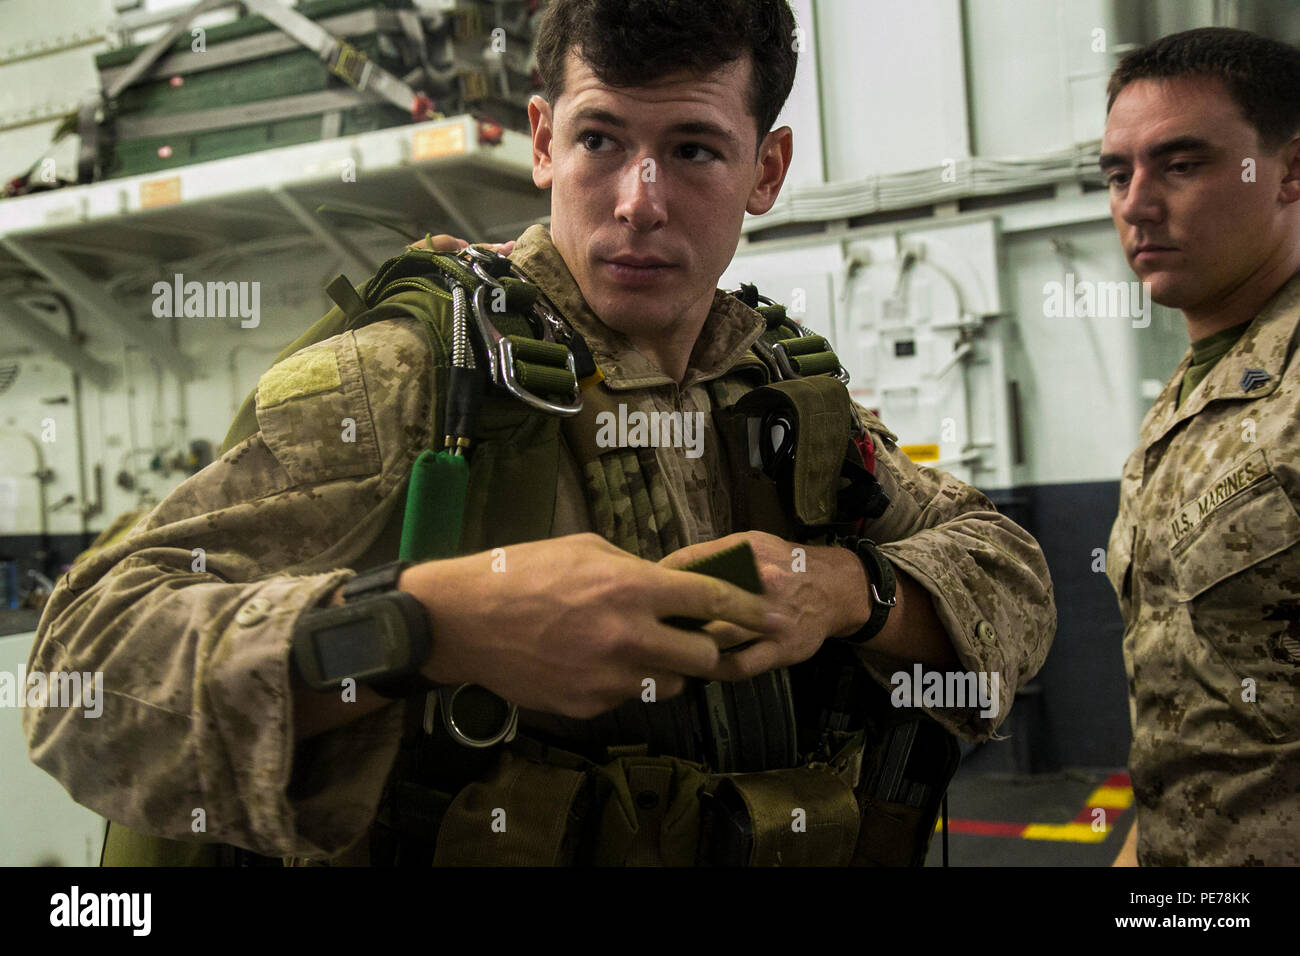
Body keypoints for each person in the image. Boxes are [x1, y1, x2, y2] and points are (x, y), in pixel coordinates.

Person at [25, 0, 1054, 865]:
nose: (638, 202)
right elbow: (84, 670)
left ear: (766, 170)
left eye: (693, 149)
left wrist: (846, 590)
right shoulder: (410, 376)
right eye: (602, 139)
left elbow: (1007, 571)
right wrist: (427, 622)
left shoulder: (780, 384)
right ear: (543, 140)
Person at [1100, 27, 1300, 866]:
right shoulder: (1187, 397)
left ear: (1290, 171)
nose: (1136, 203)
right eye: (1117, 173)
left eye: (1181, 165)